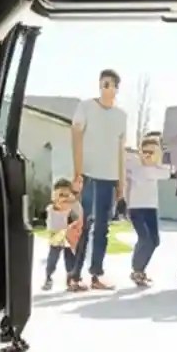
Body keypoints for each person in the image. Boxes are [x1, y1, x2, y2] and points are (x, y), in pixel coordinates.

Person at [68, 69, 128, 292]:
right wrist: (77, 172)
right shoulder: (85, 107)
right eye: (103, 83)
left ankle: (96, 275)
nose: (105, 87)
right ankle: (74, 276)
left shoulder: (121, 116)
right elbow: (76, 136)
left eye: (110, 84)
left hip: (109, 178)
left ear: (117, 88)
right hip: (89, 175)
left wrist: (121, 183)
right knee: (84, 225)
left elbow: (121, 151)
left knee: (103, 228)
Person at [125, 135, 173, 287]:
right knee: (145, 238)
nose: (147, 155)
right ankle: (136, 270)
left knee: (154, 240)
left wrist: (158, 160)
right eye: (144, 152)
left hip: (151, 207)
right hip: (136, 208)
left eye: (152, 152)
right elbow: (126, 158)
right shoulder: (136, 167)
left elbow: (168, 172)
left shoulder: (157, 168)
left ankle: (140, 270)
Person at [41, 178, 83, 291]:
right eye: (60, 195)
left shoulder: (72, 207)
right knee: (53, 258)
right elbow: (57, 207)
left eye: (66, 195)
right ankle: (48, 277)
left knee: (70, 257)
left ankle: (71, 277)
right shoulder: (51, 208)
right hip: (56, 236)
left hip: (67, 235)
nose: (64, 198)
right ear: (54, 196)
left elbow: (78, 217)